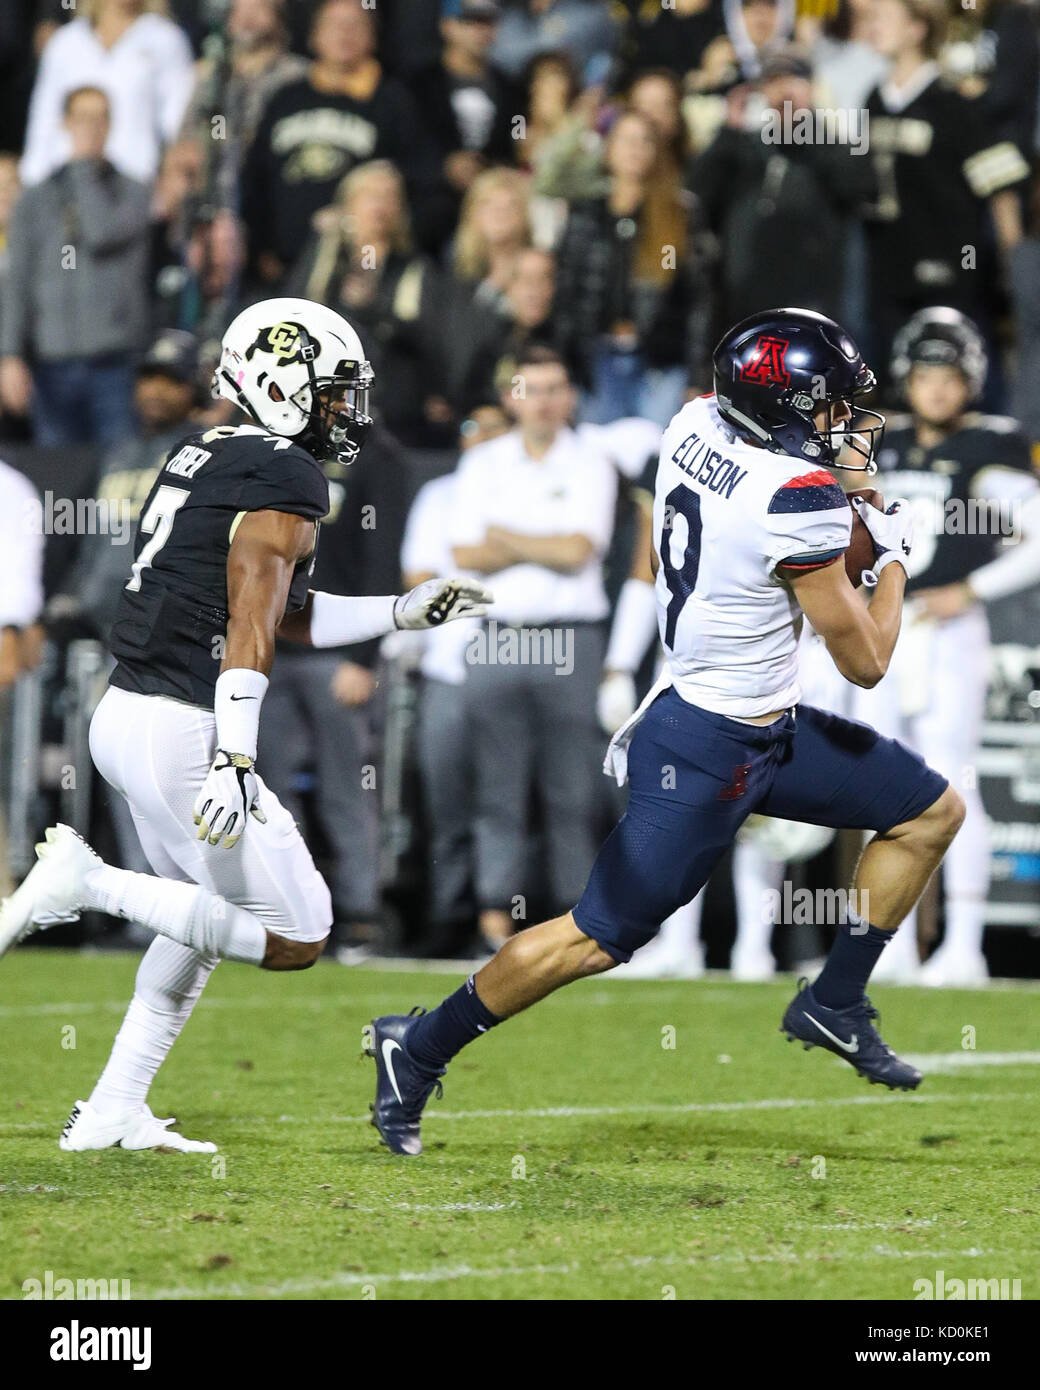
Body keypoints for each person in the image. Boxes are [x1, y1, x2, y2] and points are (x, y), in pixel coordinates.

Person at [365, 307, 968, 1157]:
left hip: (763, 729)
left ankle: (834, 1001)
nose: (843, 423)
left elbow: (777, 496)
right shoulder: (793, 500)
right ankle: (416, 1047)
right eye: (829, 406)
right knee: (596, 938)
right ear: (786, 409)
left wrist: (855, 496)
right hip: (706, 748)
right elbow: (867, 661)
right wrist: (897, 555)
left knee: (930, 811)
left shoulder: (693, 421)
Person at [0, 296, 491, 1153]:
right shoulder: (285, 473)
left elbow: (283, 609)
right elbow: (253, 614)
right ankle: (86, 887)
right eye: (335, 391)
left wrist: (403, 612)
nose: (348, 410)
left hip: (130, 716)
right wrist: (235, 754)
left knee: (199, 925)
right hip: (184, 727)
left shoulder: (209, 447)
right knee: (299, 934)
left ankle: (114, 1105)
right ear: (280, 382)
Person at [854, 307, 1040, 985]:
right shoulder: (878, 443)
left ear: (973, 381)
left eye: (950, 374)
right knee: (883, 789)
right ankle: (891, 941)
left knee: (953, 778)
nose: (936, 387)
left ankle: (963, 943)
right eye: (926, 373)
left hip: (946, 631)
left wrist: (973, 589)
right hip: (884, 631)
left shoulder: (986, 448)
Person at [449, 345, 618, 952]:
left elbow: (580, 551)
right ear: (510, 397)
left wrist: (506, 538)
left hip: (568, 640)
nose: (545, 402)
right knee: (496, 786)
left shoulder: (592, 460)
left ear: (570, 396)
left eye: (555, 389)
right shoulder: (482, 461)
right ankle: (495, 918)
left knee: (571, 787)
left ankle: (575, 922)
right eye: (532, 389)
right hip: (496, 638)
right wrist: (541, 543)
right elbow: (465, 555)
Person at [861, 0, 1029, 381]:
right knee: (896, 385)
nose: (873, 26)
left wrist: (1012, 262)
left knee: (961, 382)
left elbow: (1001, 186)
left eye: (884, 19)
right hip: (889, 271)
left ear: (917, 30)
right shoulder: (873, 99)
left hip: (953, 273)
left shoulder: (953, 102)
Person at [400, 402, 512, 954]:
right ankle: (448, 916)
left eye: (495, 429)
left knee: (503, 799)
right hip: (447, 662)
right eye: (474, 427)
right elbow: (419, 577)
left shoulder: (525, 488)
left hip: (511, 661)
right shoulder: (440, 494)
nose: (484, 439)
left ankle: (497, 919)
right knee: (444, 797)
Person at [240, 0, 450, 288]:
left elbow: (427, 189)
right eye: (334, 25)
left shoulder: (395, 102)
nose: (344, 33)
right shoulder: (286, 98)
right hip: (281, 270)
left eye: (356, 25)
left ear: (373, 37)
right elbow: (255, 179)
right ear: (314, 36)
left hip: (359, 276)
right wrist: (258, 248)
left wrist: (388, 254)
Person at [0, 86, 151, 447]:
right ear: (65, 124)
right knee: (59, 487)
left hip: (115, 364)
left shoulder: (132, 192)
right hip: (51, 365)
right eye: (82, 118)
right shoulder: (35, 198)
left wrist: (82, 168)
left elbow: (100, 232)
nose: (91, 127)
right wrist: (10, 356)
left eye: (100, 118)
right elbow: (17, 281)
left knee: (117, 486)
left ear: (111, 125)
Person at [554, 109, 707, 427]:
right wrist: (566, 366)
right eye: (626, 140)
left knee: (653, 462)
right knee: (600, 461)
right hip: (595, 361)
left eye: (645, 141)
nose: (635, 149)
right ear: (609, 150)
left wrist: (697, 374)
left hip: (659, 365)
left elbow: (697, 300)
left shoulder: (679, 215)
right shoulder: (585, 214)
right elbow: (566, 294)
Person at [20, 0, 194, 188]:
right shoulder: (65, 42)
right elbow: (43, 123)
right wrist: (31, 184)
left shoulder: (166, 39)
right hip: (66, 186)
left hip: (135, 184)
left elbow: (177, 124)